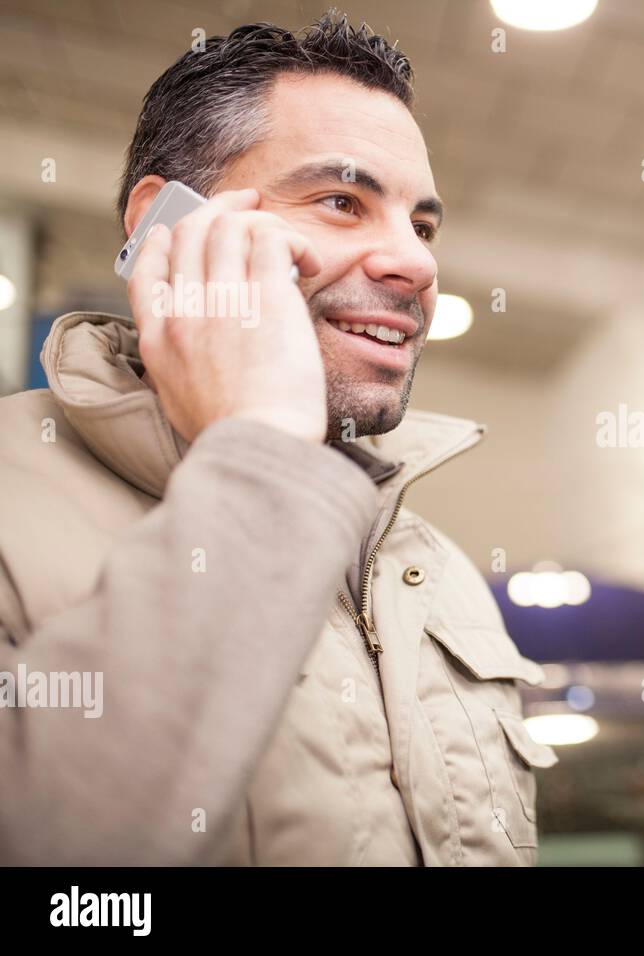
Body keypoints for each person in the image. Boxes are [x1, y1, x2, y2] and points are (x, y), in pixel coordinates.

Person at [0, 12, 556, 866]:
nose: (415, 264)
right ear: (164, 226)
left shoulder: (435, 572)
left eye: (423, 225)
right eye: (342, 201)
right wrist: (260, 449)